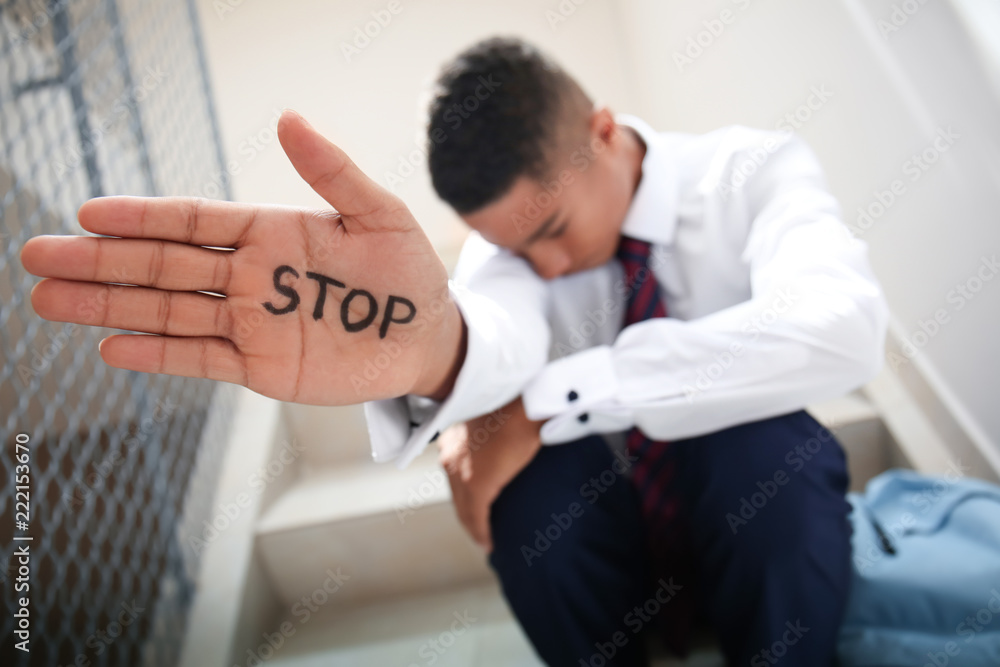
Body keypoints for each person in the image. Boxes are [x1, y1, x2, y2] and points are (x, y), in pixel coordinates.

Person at [21, 35, 888, 667]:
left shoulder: (751, 171)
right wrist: (440, 357)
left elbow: (839, 326)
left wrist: (549, 400)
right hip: (612, 534)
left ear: (601, 127)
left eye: (551, 228)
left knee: (766, 442)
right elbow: (494, 336)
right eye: (516, 249)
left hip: (750, 521)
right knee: (525, 493)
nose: (542, 264)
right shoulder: (502, 254)